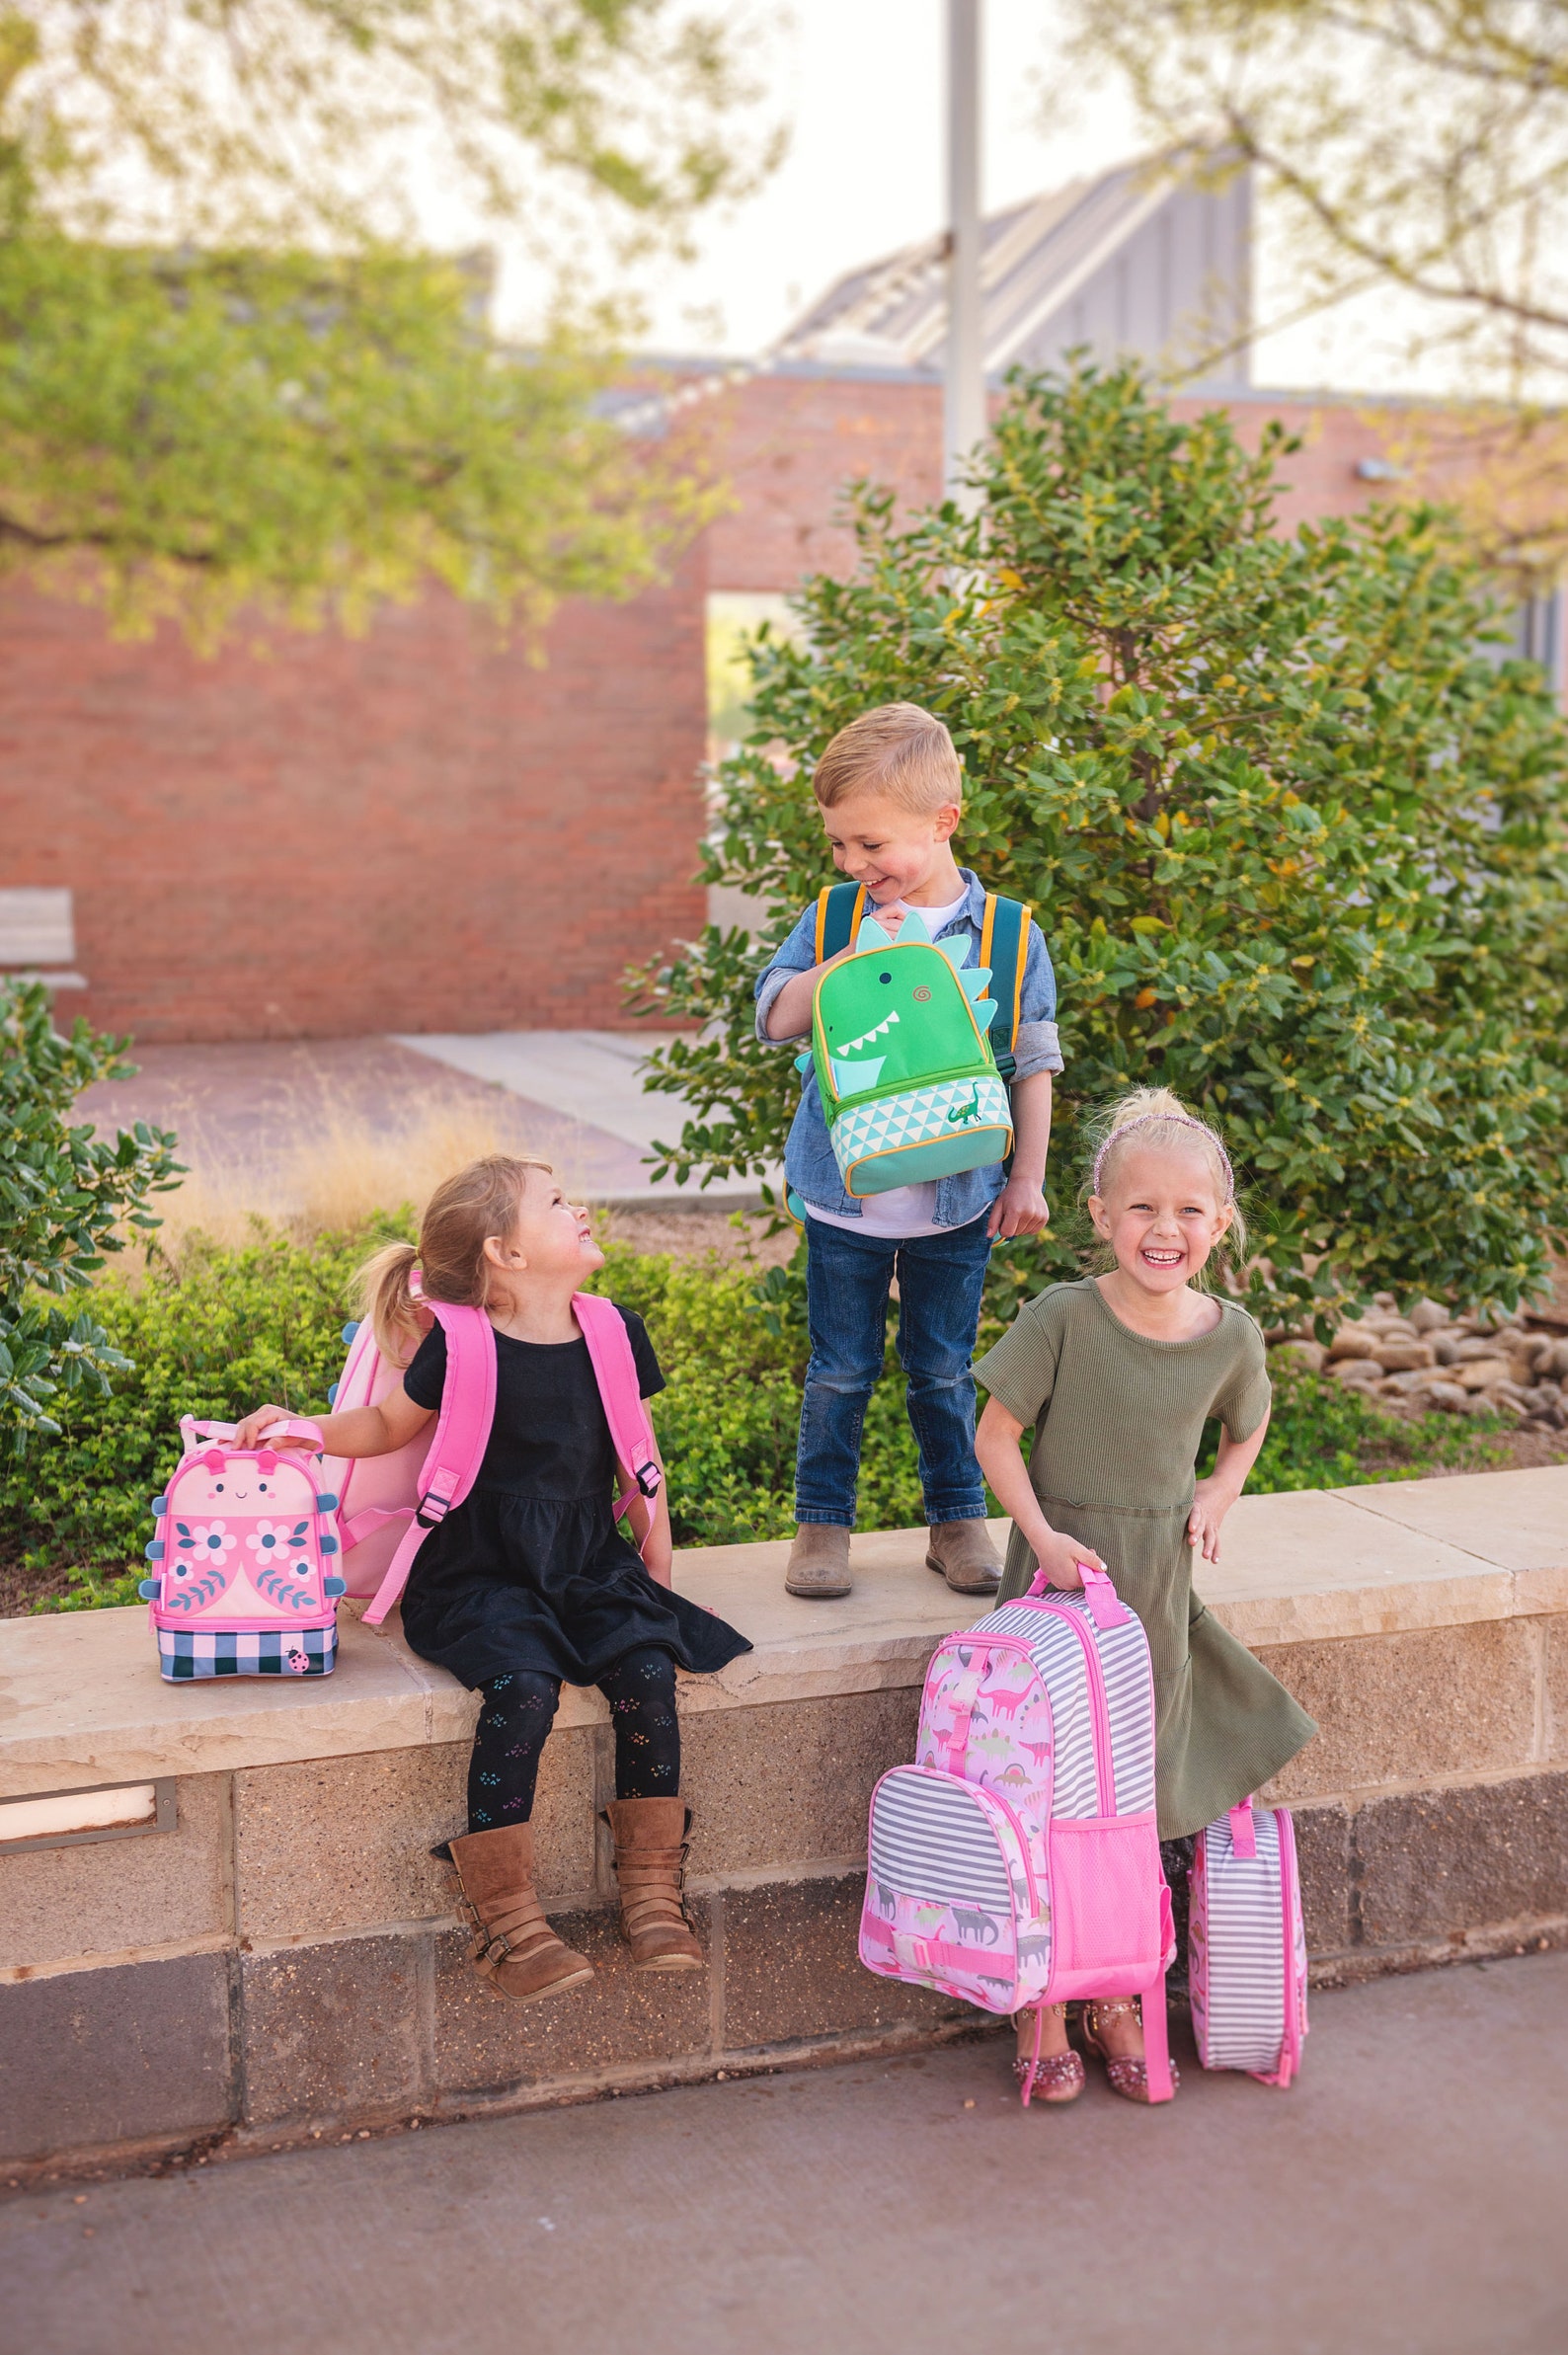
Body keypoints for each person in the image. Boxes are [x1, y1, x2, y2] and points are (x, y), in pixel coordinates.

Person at [234, 1154, 749, 2005]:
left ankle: (651, 1884)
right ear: (505, 1253)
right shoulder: (462, 1344)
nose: (580, 1207)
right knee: (524, 1686)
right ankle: (507, 1915)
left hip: (587, 1558)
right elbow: (384, 1422)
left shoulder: (614, 1330)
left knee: (649, 1667)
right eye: (557, 1202)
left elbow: (640, 1456)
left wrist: (658, 1576)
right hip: (482, 1568)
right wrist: (302, 1428)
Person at [973, 1086, 1316, 2105]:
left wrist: (1217, 1489)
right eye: (1140, 1209)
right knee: (1047, 1790)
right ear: (1097, 1212)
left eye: (1188, 1212)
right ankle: (1039, 1998)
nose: (1163, 1230)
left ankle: (1119, 1989)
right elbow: (994, 1435)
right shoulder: (1062, 1318)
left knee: (1133, 1796)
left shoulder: (1230, 1335)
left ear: (1220, 1223)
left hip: (1152, 1591)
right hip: (1056, 1587)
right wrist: (1041, 1538)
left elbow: (1245, 1422)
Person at [755, 702, 1063, 1602]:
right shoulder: (833, 919)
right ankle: (823, 1525)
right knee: (840, 1368)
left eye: (870, 844)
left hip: (958, 1199)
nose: (853, 864)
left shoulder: (1009, 938)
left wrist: (1029, 1176)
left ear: (943, 822)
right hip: (844, 1198)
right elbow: (774, 1017)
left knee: (941, 1367)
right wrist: (843, 958)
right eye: (840, 847)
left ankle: (956, 1518)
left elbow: (1033, 1065)